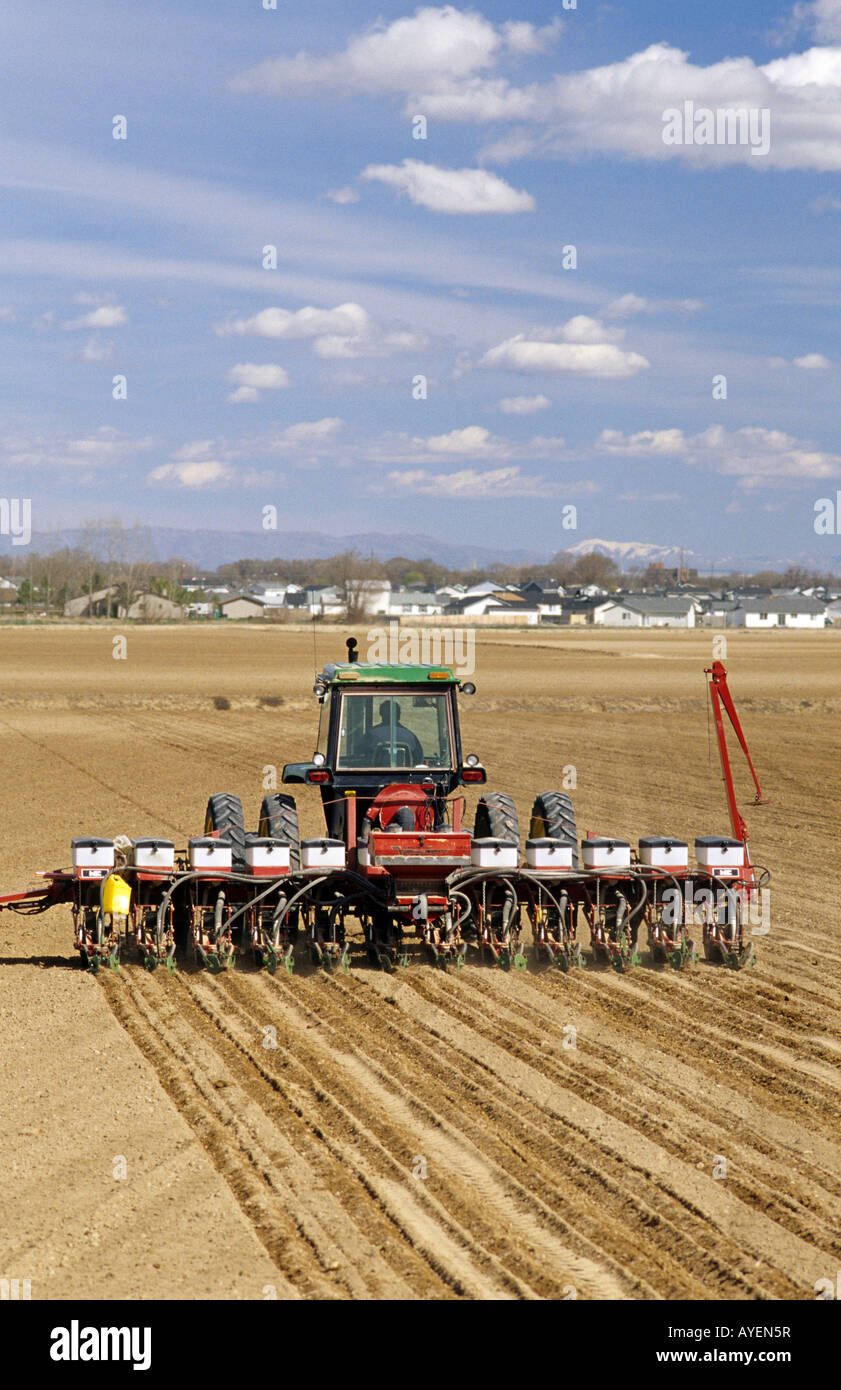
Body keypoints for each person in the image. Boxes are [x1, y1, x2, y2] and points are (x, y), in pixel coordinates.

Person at [357, 699, 424, 766]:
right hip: (404, 775)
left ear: (380, 713)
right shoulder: (410, 736)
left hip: (375, 775)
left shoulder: (371, 735)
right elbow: (419, 760)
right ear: (399, 715)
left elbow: (358, 755)